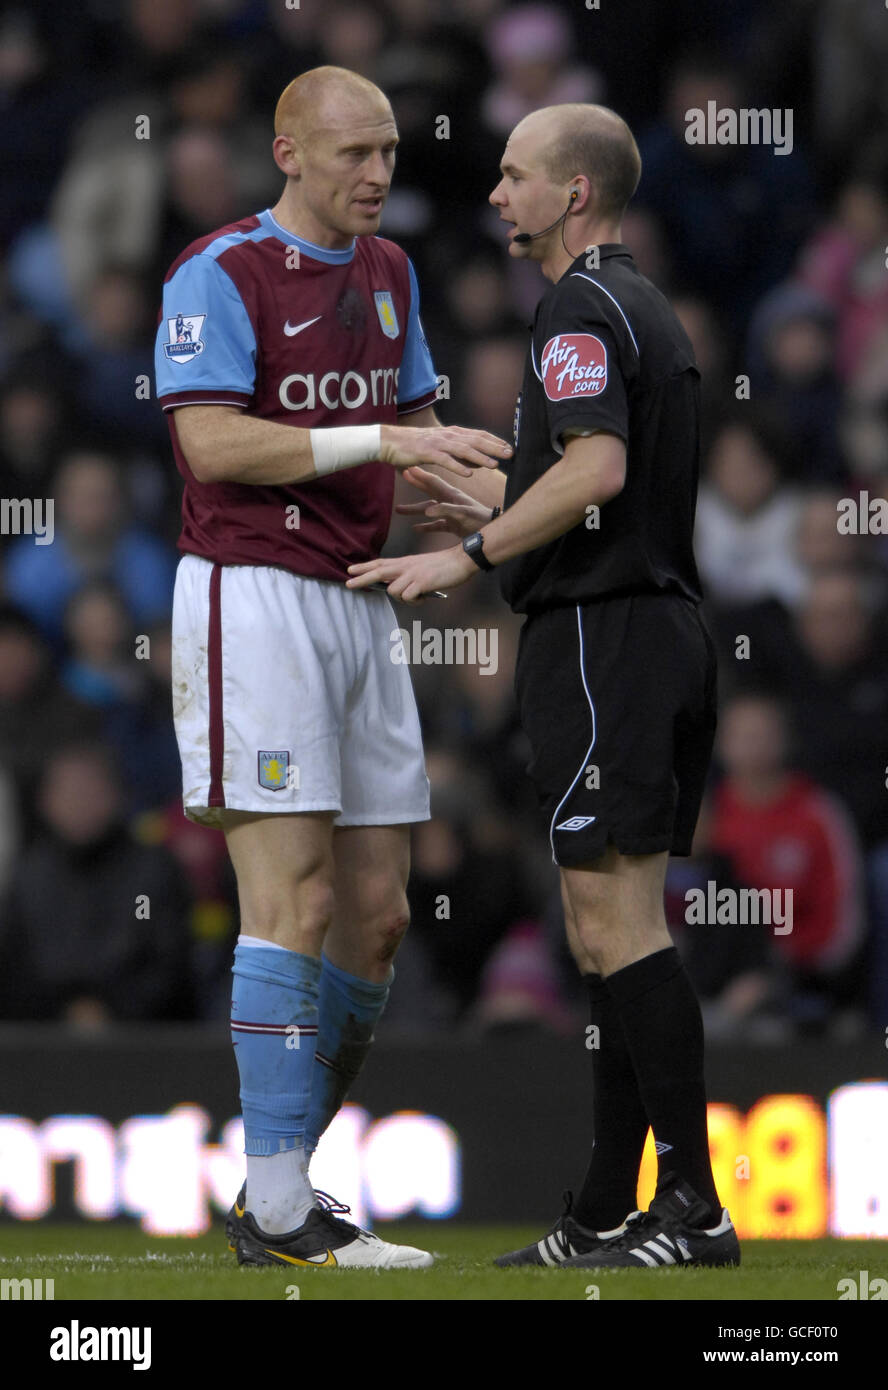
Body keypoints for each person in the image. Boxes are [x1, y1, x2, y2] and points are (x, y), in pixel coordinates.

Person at [348, 102, 740, 1271]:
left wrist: (466, 555)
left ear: (574, 192)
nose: (496, 195)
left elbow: (599, 466)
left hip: (600, 642)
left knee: (619, 925)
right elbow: (611, 494)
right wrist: (496, 514)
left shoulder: (574, 305)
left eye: (515, 177)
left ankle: (694, 1209)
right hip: (657, 628)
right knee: (603, 930)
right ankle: (606, 1209)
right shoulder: (648, 305)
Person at [153, 64, 511, 1270]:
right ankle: (278, 1204)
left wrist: (489, 505)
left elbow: (406, 452)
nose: (378, 176)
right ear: (287, 150)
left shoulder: (394, 274)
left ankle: (285, 1190)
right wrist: (384, 440)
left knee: (376, 919)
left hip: (363, 602)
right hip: (251, 599)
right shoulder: (220, 272)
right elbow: (210, 442)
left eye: (393, 154)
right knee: (293, 900)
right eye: (354, 153)